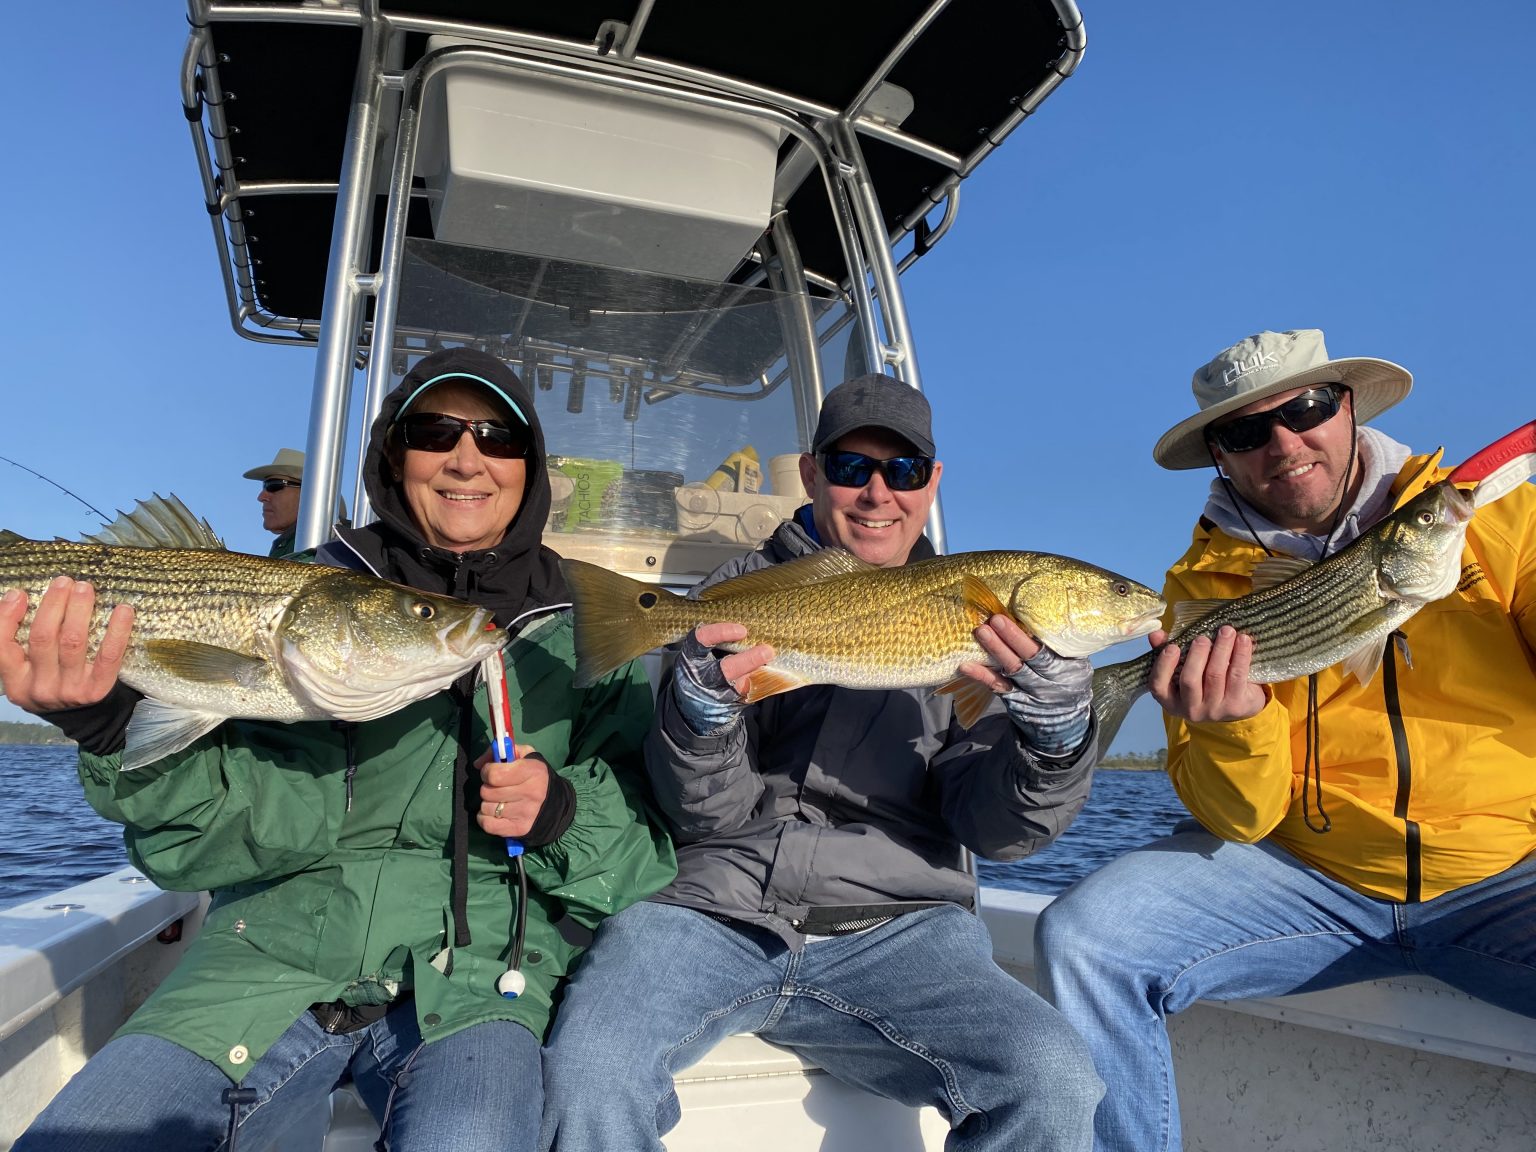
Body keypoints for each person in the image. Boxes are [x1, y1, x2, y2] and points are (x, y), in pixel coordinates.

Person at [0, 346, 676, 1152]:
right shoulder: (309, 591)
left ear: (530, 467)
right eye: (435, 431)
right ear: (395, 453)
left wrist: (562, 812)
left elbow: (652, 860)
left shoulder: (590, 634)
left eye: (498, 436)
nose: (468, 458)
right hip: (263, 967)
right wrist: (106, 727)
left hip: (478, 985)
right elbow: (196, 853)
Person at [541, 372, 1105, 1152]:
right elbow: (704, 813)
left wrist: (1055, 742)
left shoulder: (995, 629)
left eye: (903, 472)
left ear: (932, 484)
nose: (878, 493)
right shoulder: (738, 594)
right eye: (852, 468)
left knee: (1057, 1079)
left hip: (902, 927)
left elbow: (995, 828)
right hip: (716, 909)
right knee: (588, 1069)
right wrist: (700, 721)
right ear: (810, 473)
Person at [1033, 329, 1536, 1152]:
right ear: (1220, 459)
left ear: (1346, 407)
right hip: (1308, 885)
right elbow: (1238, 819)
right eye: (1245, 433)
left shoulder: (1489, 512)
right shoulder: (1194, 593)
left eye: (1305, 409)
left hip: (1506, 877)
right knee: (1087, 940)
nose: (1284, 444)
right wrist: (1234, 726)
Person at [242, 447, 306, 557]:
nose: (261, 497)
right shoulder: (284, 546)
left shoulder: (335, 547)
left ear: (308, 493)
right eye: (264, 486)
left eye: (274, 485)